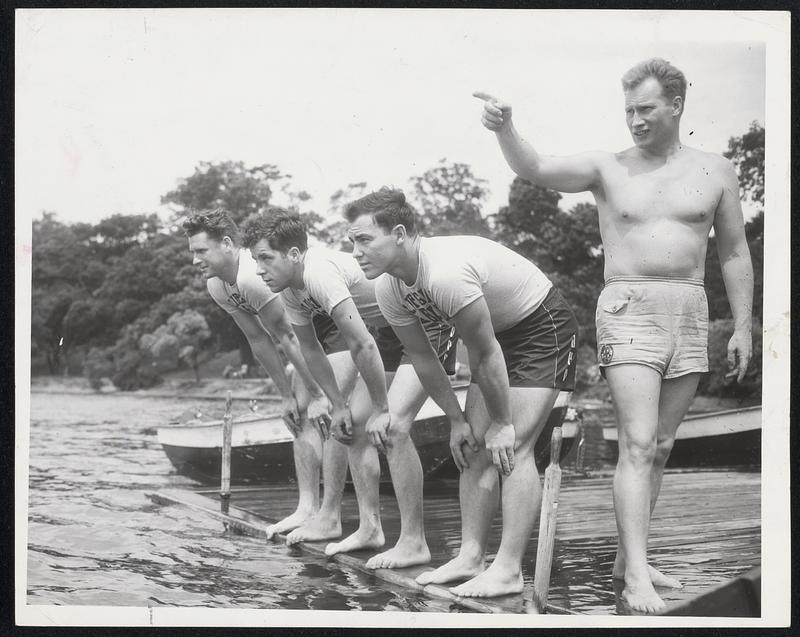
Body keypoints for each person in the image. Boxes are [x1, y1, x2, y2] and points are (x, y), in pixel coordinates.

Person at [474, 57, 753, 613]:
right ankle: (634, 582)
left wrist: (743, 324)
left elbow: (734, 250)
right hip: (629, 306)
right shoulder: (608, 167)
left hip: (690, 307)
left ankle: (633, 559)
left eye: (646, 108)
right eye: (629, 110)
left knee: (664, 446)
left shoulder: (717, 170)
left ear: (676, 105)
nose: (636, 120)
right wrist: (506, 128)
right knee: (639, 442)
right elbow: (536, 168)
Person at [343, 187, 578, 598]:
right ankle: (471, 555)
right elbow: (423, 358)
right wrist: (455, 420)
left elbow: (485, 354)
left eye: (364, 239)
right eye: (352, 242)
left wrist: (503, 422)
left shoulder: (444, 273)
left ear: (399, 233)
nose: (356, 251)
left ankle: (507, 569)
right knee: (470, 447)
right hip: (498, 339)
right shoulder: (389, 288)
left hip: (541, 329)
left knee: (512, 446)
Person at [240, 208, 458, 569]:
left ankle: (414, 542)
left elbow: (361, 345)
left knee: (392, 426)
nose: (259, 269)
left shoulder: (320, 273)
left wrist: (380, 406)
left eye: (266, 258)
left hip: (426, 323)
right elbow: (310, 348)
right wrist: (336, 403)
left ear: (294, 255)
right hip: (389, 330)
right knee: (352, 429)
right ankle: (370, 528)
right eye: (255, 260)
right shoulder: (291, 290)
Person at [183, 209, 354, 541]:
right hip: (304, 334)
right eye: (192, 252)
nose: (194, 260)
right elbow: (259, 339)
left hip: (330, 325)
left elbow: (289, 336)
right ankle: (307, 507)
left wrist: (320, 394)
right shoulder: (217, 286)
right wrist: (287, 396)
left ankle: (330, 515)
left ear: (228, 244)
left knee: (331, 413)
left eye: (201, 251)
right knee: (299, 416)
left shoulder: (250, 276)